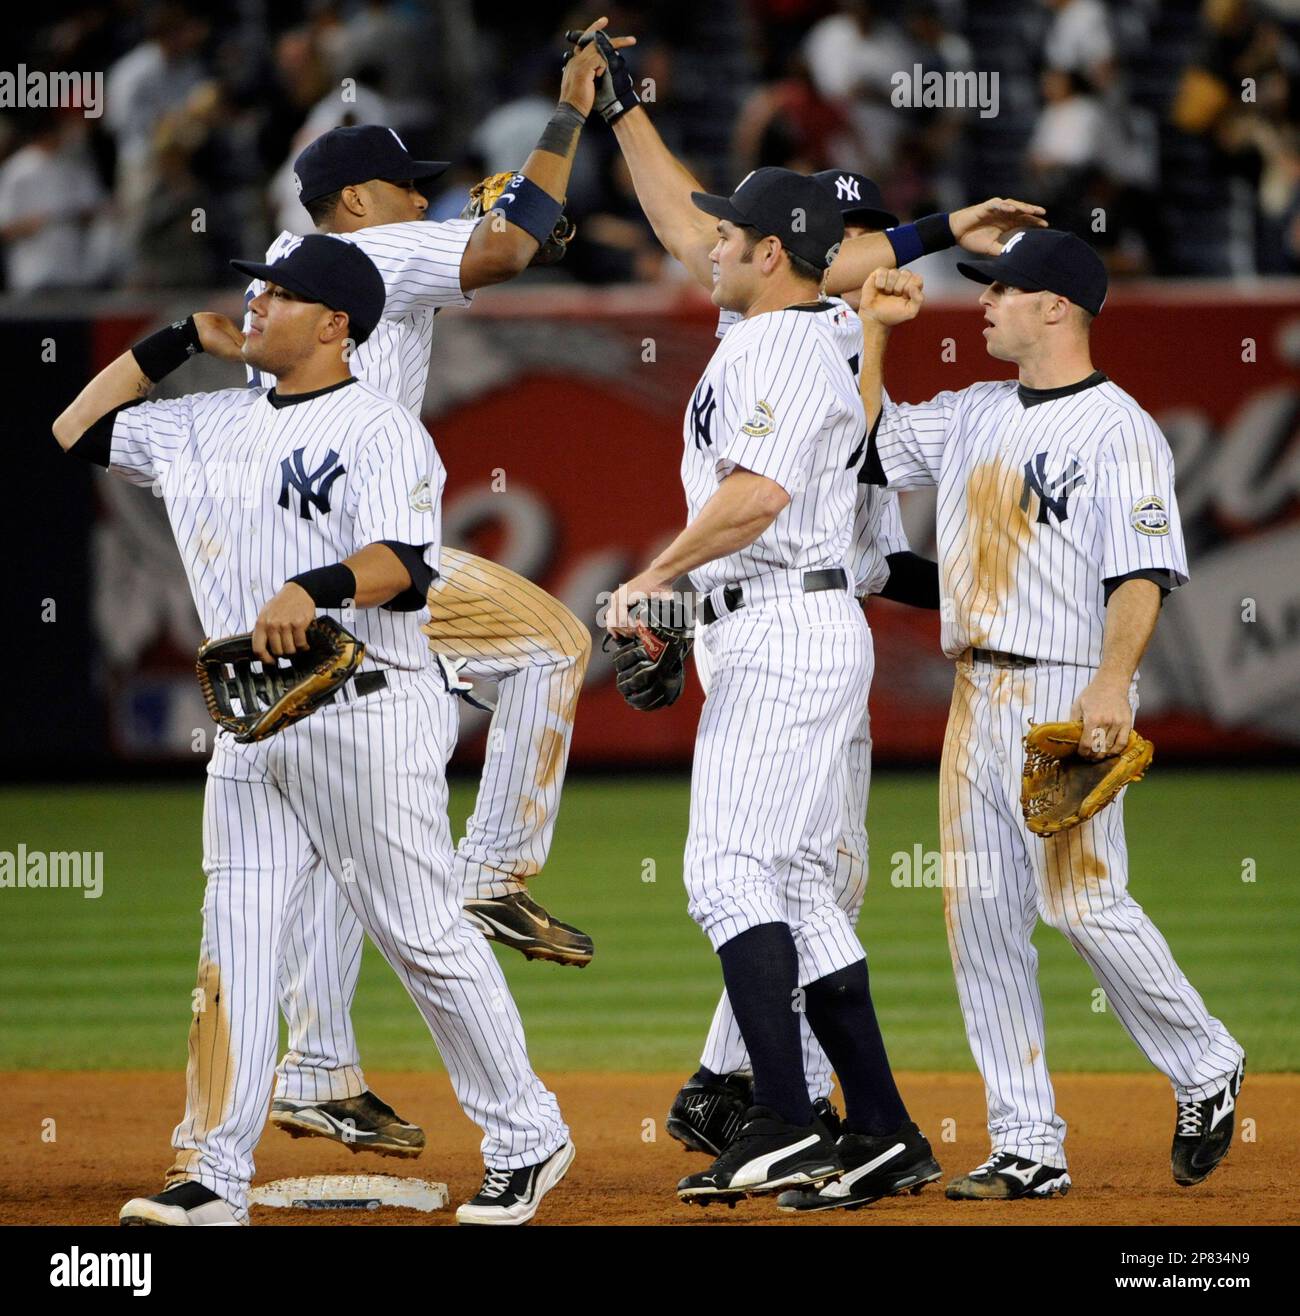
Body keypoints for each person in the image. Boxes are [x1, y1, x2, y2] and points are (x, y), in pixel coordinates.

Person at [52, 235, 572, 1227]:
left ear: (334, 323)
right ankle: (211, 1169)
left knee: (419, 932)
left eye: (278, 293)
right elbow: (73, 432)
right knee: (233, 941)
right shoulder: (204, 421)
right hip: (250, 725)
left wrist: (317, 584)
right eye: (252, 287)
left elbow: (408, 567)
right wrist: (172, 340)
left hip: (365, 708)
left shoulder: (377, 426)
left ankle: (527, 1137)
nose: (253, 301)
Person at [245, 22, 628, 1160]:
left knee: (333, 834)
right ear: (353, 201)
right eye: (402, 189)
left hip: (289, 556)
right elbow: (511, 249)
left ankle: (315, 1065)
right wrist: (567, 116)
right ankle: (495, 876)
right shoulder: (368, 257)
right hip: (367, 558)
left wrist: (505, 209)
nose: (418, 202)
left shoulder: (296, 266)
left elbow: (500, 230)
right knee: (553, 645)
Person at [853, 228, 1246, 1198]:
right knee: (978, 916)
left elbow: (1141, 573)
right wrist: (870, 334)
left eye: (1002, 289)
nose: (981, 302)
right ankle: (1027, 1140)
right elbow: (863, 449)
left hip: (1065, 687)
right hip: (974, 688)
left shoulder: (1119, 429)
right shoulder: (973, 409)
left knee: (1080, 899)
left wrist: (1112, 682)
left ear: (1056, 307)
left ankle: (1205, 1061)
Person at [662, 170, 947, 1214]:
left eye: (726, 233)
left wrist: (654, 580)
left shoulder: (777, 344)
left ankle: (780, 1118)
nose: (709, 245)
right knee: (793, 886)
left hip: (784, 617)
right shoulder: (782, 336)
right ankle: (879, 1129)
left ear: (770, 251)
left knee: (724, 870)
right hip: (780, 618)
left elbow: (760, 496)